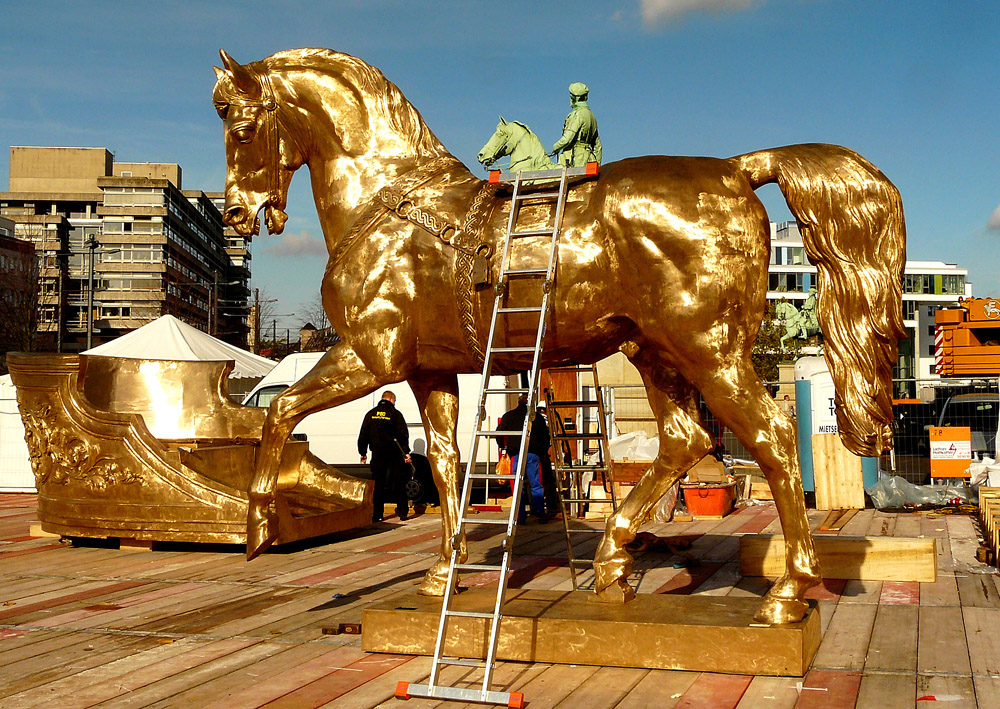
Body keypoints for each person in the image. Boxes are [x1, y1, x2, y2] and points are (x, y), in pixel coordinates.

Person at [358, 390, 411, 522]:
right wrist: (406, 452)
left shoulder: (371, 414)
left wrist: (363, 452)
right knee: (399, 482)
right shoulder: (396, 414)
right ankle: (403, 512)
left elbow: (363, 434)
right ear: (392, 399)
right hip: (394, 453)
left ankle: (378, 514)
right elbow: (403, 434)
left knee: (378, 484)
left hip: (377, 453)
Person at [498, 394, 549, 522]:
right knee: (536, 485)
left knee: (517, 486)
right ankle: (541, 514)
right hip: (533, 454)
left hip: (516, 454)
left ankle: (520, 516)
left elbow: (499, 433)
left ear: (518, 403)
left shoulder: (509, 416)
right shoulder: (537, 417)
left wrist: (503, 447)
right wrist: (543, 452)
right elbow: (546, 436)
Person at [550, 82, 602, 168]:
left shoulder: (578, 114)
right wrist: (597, 165)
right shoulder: (592, 116)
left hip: (574, 158)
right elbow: (598, 146)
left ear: (574, 98)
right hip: (589, 159)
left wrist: (555, 148)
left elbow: (567, 139)